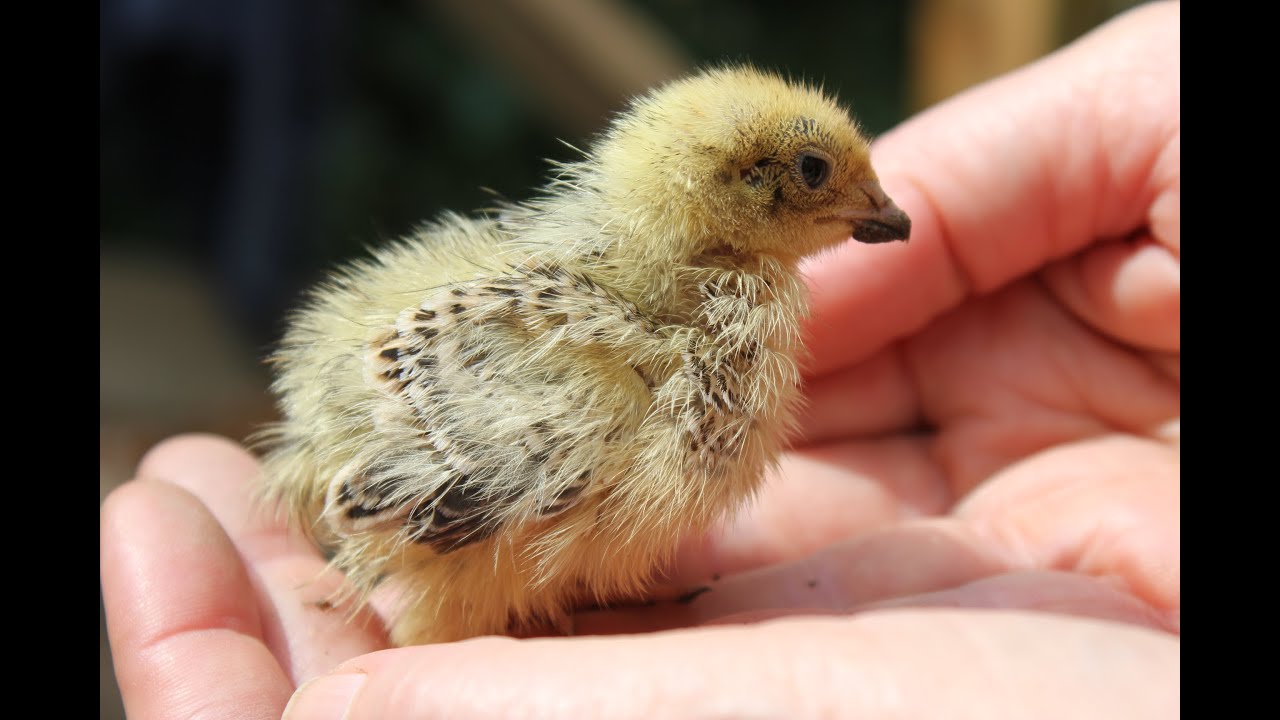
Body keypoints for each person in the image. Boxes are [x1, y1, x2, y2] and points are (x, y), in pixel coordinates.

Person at [100, 2, 1179, 716]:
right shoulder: (607, 358)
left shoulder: (698, 318)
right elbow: (408, 500)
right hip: (430, 538)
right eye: (817, 174)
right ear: (732, 187)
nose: (869, 206)